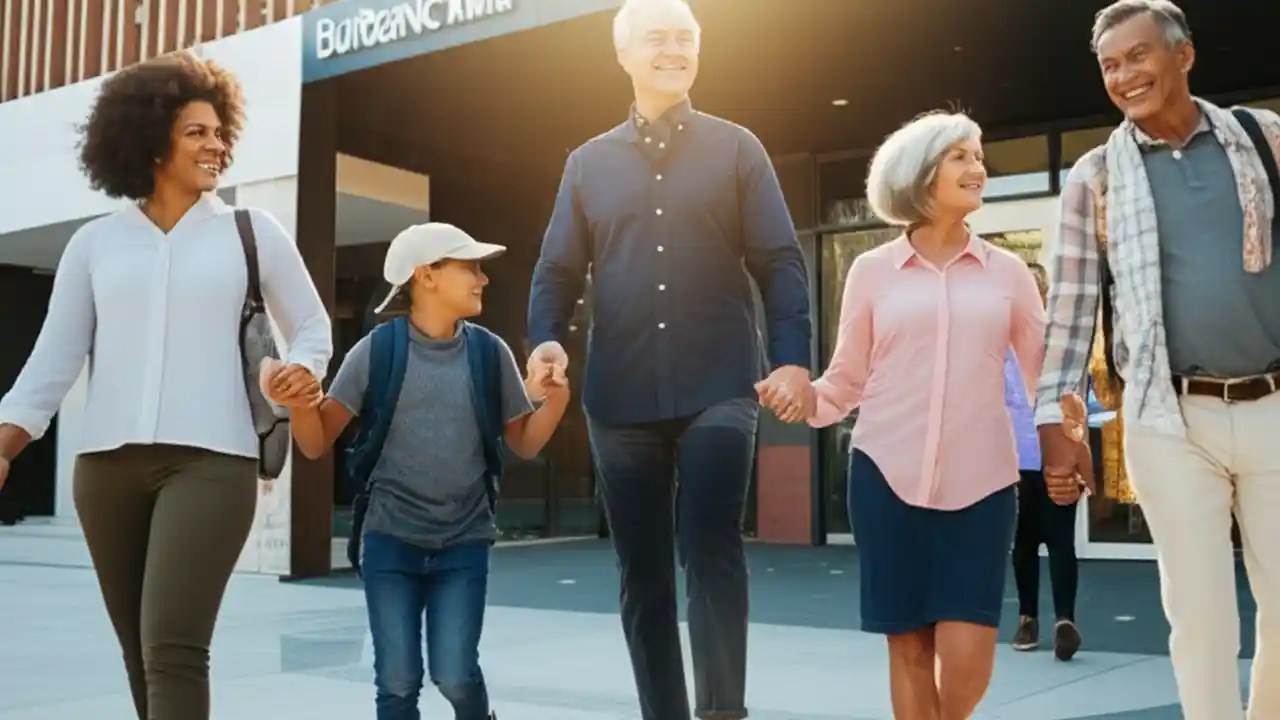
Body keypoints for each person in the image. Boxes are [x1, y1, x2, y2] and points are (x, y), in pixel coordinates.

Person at [0, 52, 332, 719]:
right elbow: (52, 363)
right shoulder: (95, 244)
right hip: (105, 469)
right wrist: (6, 444)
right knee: (139, 652)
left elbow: (314, 327)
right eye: (197, 132)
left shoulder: (250, 231)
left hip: (213, 462)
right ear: (151, 139)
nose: (216, 146)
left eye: (220, 132)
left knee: (173, 646)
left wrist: (304, 373)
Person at [525, 0, 812, 716]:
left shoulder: (738, 148)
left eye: (686, 38)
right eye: (657, 37)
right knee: (643, 574)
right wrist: (547, 336)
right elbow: (556, 269)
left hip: (721, 382)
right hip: (618, 396)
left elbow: (779, 261)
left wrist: (792, 358)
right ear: (623, 54)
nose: (674, 49)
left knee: (711, 548)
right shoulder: (587, 164)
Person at [1035, 2, 1280, 717]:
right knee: (1200, 618)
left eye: (1137, 56)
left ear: (1183, 56)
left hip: (1273, 403)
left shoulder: (1262, 139)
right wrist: (1058, 420)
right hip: (1168, 418)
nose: (1123, 76)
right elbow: (1073, 304)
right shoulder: (1096, 176)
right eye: (1110, 65)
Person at [765, 111, 1046, 720]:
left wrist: (1067, 431)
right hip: (887, 479)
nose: (978, 167)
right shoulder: (870, 273)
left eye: (978, 155)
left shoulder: (1009, 273)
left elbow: (1044, 374)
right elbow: (845, 381)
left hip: (983, 487)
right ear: (922, 174)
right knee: (910, 650)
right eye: (960, 157)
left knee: (969, 655)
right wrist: (802, 394)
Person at [274, 222, 569, 720]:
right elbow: (316, 440)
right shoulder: (377, 351)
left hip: (464, 540)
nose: (483, 278)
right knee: (397, 681)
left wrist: (557, 399)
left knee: (455, 674)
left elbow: (522, 440)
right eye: (469, 266)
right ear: (426, 275)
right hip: (390, 539)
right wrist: (298, 403)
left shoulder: (488, 352)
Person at [1008, 263, 1083, 661]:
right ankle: (1028, 618)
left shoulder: (1059, 346)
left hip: (1056, 456)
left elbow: (1077, 395)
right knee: (1023, 543)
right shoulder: (997, 343)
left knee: (1060, 542)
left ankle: (1064, 622)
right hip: (1014, 460)